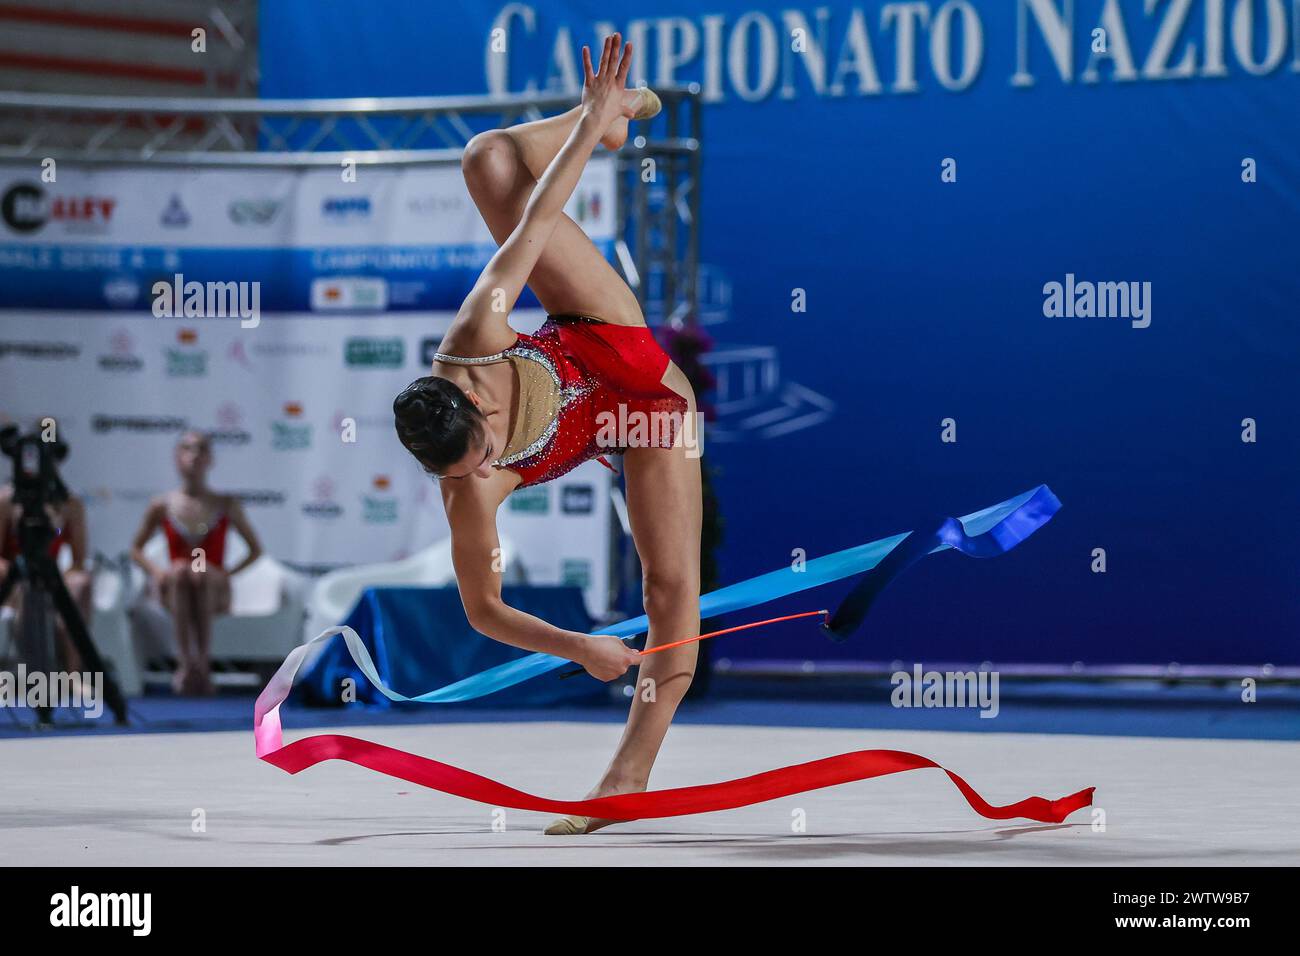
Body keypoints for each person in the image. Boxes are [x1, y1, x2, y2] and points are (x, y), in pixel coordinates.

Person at [393, 35, 701, 834]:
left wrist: (590, 124)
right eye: (469, 473)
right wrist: (578, 646)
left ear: (474, 402)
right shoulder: (468, 491)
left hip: (602, 337)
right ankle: (627, 775)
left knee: (489, 161)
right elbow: (483, 609)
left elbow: (536, 219)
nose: (487, 469)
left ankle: (607, 116)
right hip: (651, 412)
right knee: (668, 595)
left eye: (486, 449)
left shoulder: (477, 331)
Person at [130, 430, 263, 695]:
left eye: (201, 450)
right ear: (177, 458)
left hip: (212, 589)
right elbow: (136, 549)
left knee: (199, 572)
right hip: (177, 588)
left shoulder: (225, 504)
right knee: (181, 570)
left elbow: (255, 550)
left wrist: (227, 574)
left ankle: (201, 663)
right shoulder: (162, 505)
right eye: (188, 449)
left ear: (210, 460)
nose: (194, 456)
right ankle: (185, 664)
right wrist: (157, 572)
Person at [0, 474, 91, 677]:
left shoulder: (69, 503)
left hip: (50, 577)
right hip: (13, 579)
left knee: (80, 582)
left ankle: (72, 674)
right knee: (29, 586)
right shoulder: (6, 501)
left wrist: (56, 582)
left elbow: (78, 562)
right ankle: (33, 676)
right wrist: (17, 573)